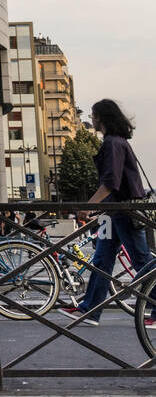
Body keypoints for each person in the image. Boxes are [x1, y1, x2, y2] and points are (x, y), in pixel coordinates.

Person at [59, 99, 156, 327]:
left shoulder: (113, 143)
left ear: (101, 117)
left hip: (124, 212)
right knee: (102, 260)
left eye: (93, 115)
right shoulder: (116, 142)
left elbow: (110, 182)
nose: (91, 119)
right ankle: (90, 309)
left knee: (142, 260)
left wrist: (87, 206)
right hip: (114, 213)